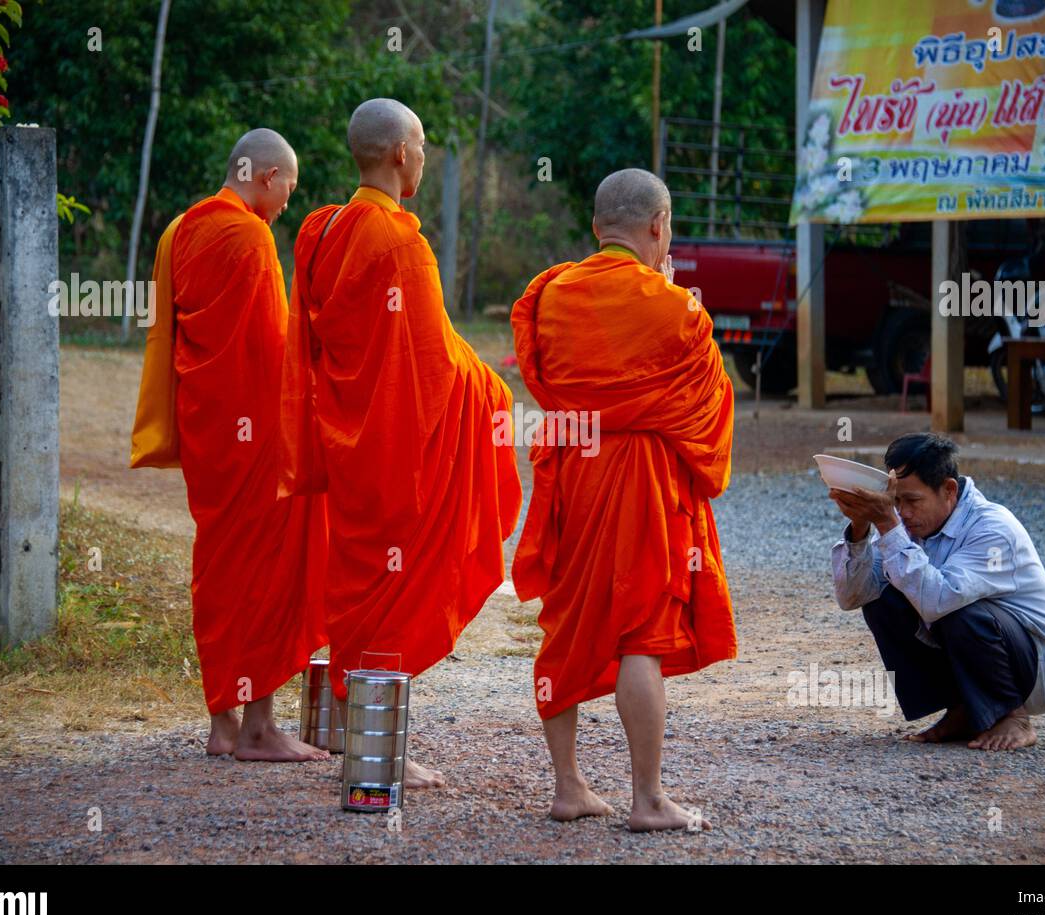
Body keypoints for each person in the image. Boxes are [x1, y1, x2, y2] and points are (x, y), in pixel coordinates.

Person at [277, 99, 521, 788]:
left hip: (349, 443)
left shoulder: (322, 233)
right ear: (398, 156)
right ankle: (375, 751)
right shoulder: (398, 245)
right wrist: (493, 392)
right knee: (393, 586)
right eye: (420, 148)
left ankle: (362, 736)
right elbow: (434, 367)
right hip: (396, 453)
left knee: (364, 581)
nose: (422, 159)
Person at [511, 168, 736, 830]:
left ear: (596, 228)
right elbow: (711, 409)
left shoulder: (549, 294)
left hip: (574, 468)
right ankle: (647, 797)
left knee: (568, 619)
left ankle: (568, 785)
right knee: (642, 629)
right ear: (658, 228)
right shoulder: (678, 309)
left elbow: (543, 379)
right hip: (642, 475)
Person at [130, 129, 331, 761]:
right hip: (256, 434)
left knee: (218, 566)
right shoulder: (247, 236)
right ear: (267, 177)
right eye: (288, 191)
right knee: (269, 567)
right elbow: (274, 345)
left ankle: (223, 723)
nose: (287, 206)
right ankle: (260, 728)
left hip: (209, 429)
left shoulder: (183, 228)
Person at [828, 432, 1045, 751]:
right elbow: (853, 596)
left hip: (1040, 669)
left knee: (957, 609)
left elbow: (937, 601)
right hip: (984, 657)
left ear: (949, 490)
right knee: (882, 601)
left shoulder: (992, 529)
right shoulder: (909, 523)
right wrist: (860, 528)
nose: (902, 513)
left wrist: (888, 526)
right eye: (896, 501)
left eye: (913, 501)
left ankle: (1014, 716)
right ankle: (963, 709)